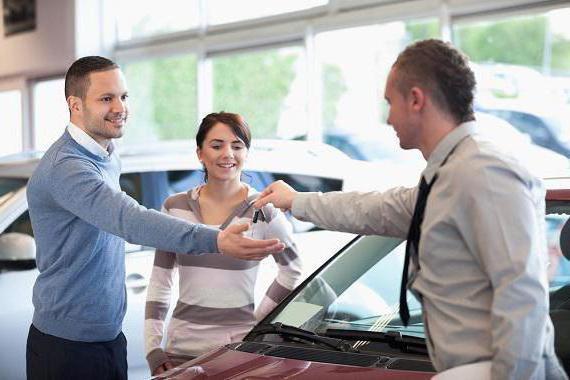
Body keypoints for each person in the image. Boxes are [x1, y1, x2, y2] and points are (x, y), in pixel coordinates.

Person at [254, 39, 568, 379]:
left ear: (416, 99)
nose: (388, 117)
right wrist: (296, 200)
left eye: (390, 102)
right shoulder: (450, 175)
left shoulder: (485, 173)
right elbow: (376, 209)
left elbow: (522, 298)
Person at [25, 56, 284, 380]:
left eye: (123, 96)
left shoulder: (104, 153)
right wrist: (215, 238)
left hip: (106, 338)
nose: (120, 107)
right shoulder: (68, 168)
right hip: (67, 347)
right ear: (75, 105)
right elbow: (128, 219)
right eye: (106, 98)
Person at [144, 112, 303, 375]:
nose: (227, 153)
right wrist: (153, 348)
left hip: (238, 353)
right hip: (179, 352)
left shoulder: (264, 210)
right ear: (200, 153)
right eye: (216, 145)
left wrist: (258, 322)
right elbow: (160, 281)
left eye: (237, 146)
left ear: (246, 153)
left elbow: (293, 269)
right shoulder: (174, 207)